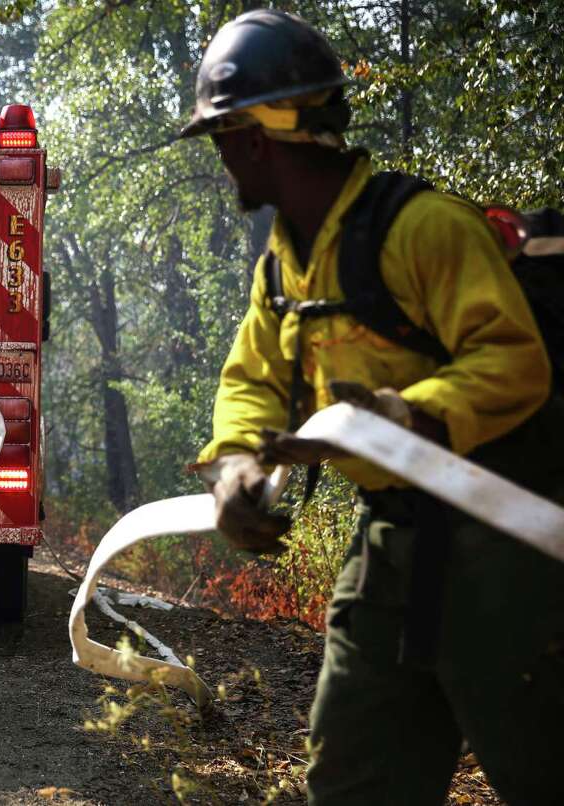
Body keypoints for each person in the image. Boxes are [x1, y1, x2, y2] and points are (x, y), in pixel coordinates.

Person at [180, 9, 564, 805]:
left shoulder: (424, 228)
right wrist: (238, 465)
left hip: (505, 550)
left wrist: (411, 416)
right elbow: (251, 380)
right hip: (392, 542)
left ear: (254, 138)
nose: (222, 164)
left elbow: (514, 360)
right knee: (356, 776)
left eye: (221, 140)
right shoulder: (285, 265)